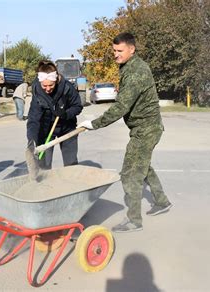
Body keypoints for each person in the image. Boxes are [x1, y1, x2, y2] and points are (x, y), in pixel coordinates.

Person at [78, 32, 172, 232]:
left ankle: (133, 220)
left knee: (130, 174)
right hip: (145, 127)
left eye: (120, 51)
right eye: (114, 50)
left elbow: (121, 106)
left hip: (145, 129)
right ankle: (162, 202)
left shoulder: (137, 71)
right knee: (143, 166)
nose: (115, 55)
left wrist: (94, 124)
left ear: (132, 49)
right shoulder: (128, 66)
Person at [27, 60, 83, 169]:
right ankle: (45, 185)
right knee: (43, 165)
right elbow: (34, 119)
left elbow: (77, 106)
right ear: (40, 82)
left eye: (50, 85)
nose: (48, 89)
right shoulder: (37, 90)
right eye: (45, 86)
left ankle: (72, 183)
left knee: (71, 164)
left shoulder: (67, 87)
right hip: (46, 130)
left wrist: (66, 114)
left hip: (67, 128)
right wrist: (32, 141)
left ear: (56, 80)